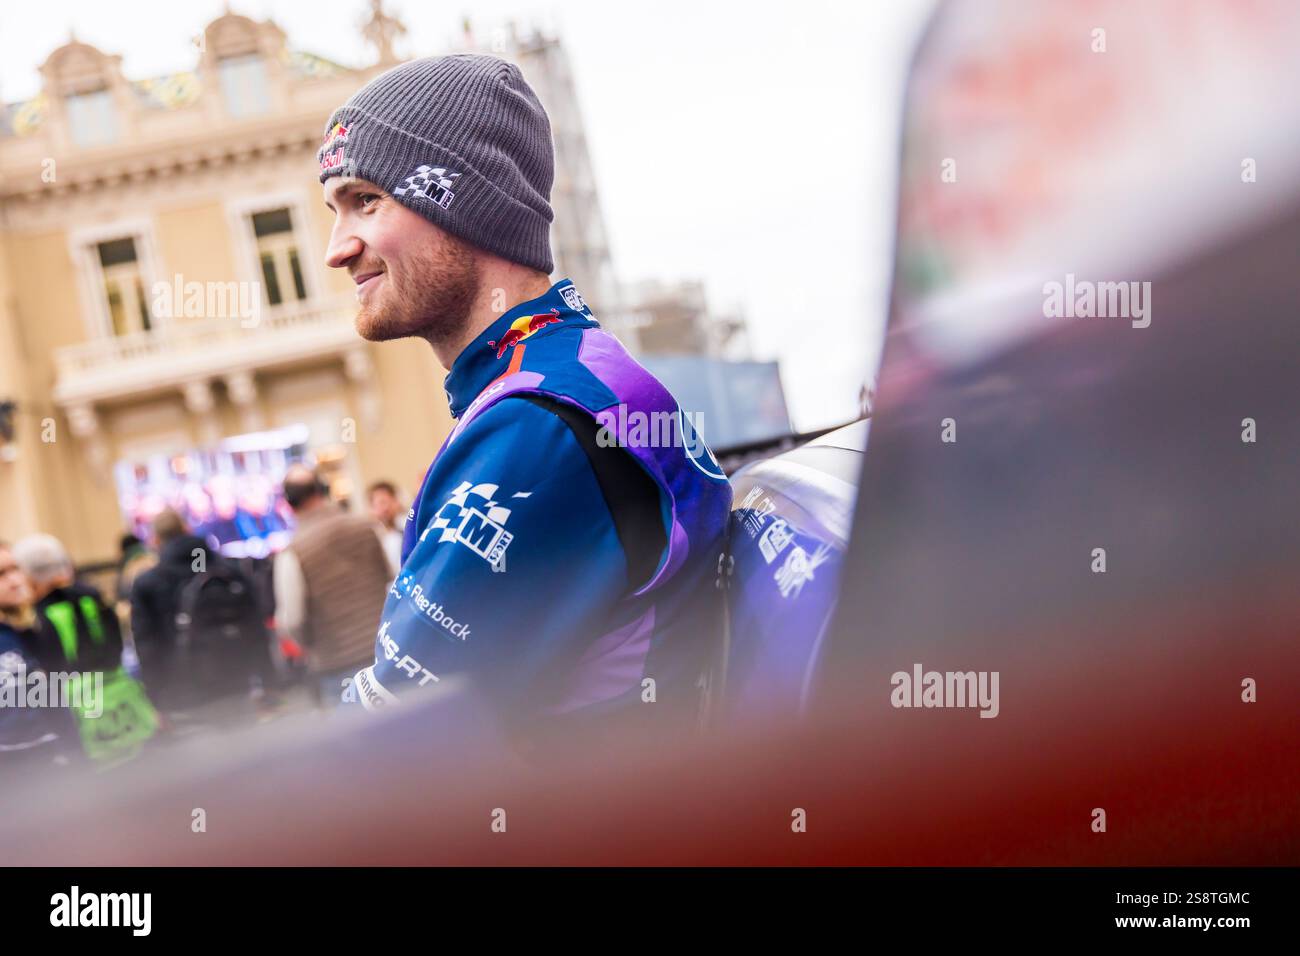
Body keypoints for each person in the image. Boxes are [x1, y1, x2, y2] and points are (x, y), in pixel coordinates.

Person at [318, 54, 732, 744]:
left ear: (467, 206)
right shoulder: (567, 367)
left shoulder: (536, 424)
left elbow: (385, 744)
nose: (337, 248)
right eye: (333, 210)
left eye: (366, 200)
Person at [273, 465, 394, 706]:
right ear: (323, 490)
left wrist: (311, 647)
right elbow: (394, 581)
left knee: (358, 741)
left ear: (288, 504)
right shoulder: (367, 528)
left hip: (337, 666)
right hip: (385, 653)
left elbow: (293, 620)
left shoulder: (292, 553)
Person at [0, 541, 78, 769]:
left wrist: (73, 752)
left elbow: (55, 697)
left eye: (15, 569)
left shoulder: (36, 627)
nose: (14, 581)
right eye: (2, 574)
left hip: (54, 759)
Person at [367, 480, 406, 575]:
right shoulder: (373, 538)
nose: (383, 509)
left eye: (384, 502)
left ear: (396, 501)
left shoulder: (409, 527)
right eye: (377, 505)